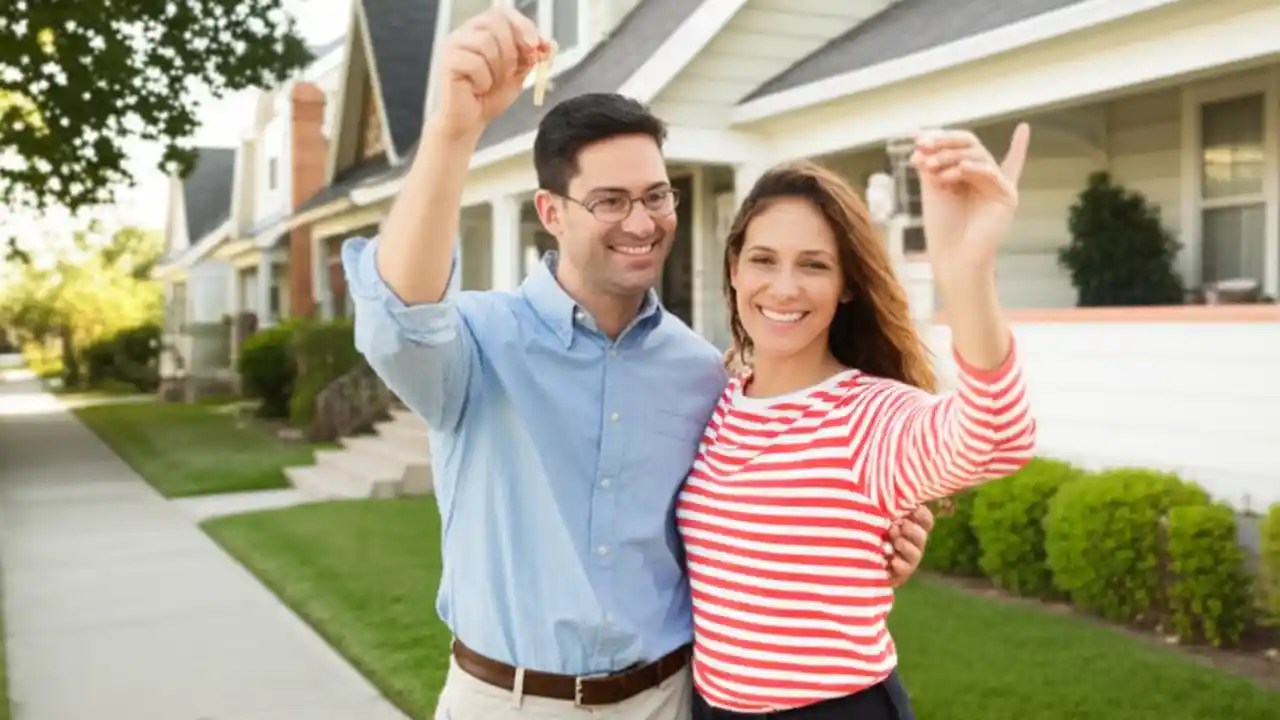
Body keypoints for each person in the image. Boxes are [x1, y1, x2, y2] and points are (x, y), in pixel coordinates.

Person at [341, 8, 934, 719]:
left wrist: (873, 533)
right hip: (508, 701)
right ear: (551, 213)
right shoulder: (478, 343)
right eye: (611, 201)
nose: (643, 222)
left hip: (668, 698)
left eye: (656, 196)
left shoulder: (703, 372)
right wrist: (450, 131)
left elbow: (760, 503)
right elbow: (400, 322)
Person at [679, 129, 1038, 719]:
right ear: (735, 268)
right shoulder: (716, 400)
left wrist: (967, 274)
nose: (784, 288)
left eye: (814, 265)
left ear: (845, 285)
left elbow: (996, 437)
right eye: (764, 259)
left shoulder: (865, 419)